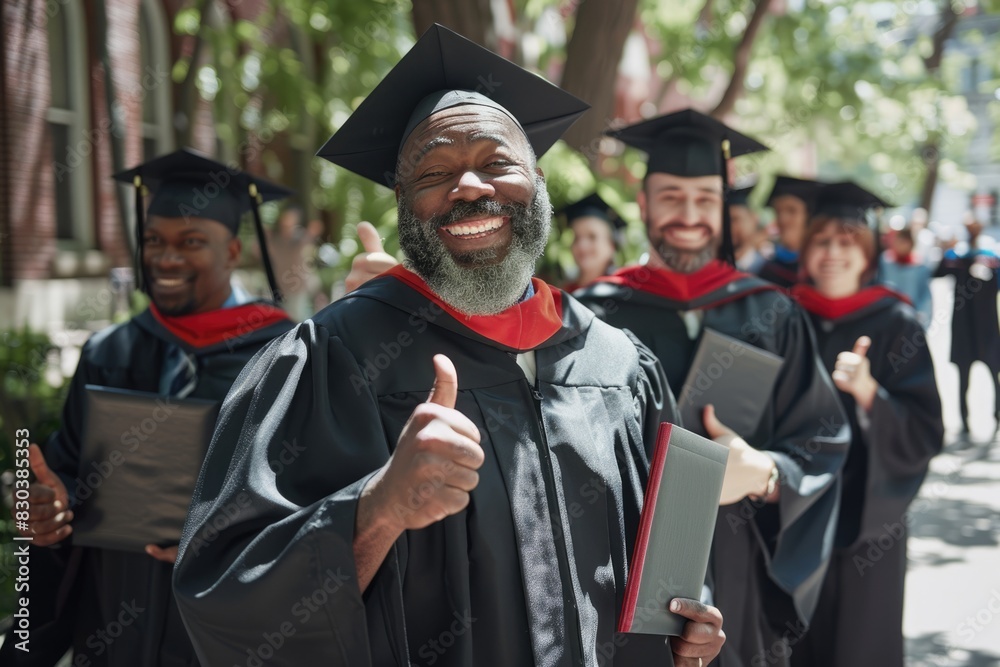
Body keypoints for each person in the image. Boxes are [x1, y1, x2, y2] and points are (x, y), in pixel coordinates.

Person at [172, 24, 725, 667]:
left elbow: (670, 559)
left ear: (538, 181)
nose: (469, 186)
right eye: (435, 172)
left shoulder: (618, 363)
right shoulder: (328, 358)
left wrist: (693, 621)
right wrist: (376, 509)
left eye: (497, 162)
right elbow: (223, 594)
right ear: (403, 202)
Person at [575, 109, 849, 667]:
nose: (690, 215)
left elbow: (823, 438)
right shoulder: (590, 318)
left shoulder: (771, 312)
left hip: (740, 575)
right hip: (622, 579)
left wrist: (768, 474)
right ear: (645, 203)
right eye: (671, 196)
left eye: (705, 198)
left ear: (723, 208)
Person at [10, 149, 295, 666]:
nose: (166, 258)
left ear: (232, 251)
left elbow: (309, 492)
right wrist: (47, 511)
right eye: (153, 242)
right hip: (116, 616)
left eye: (190, 242)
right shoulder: (109, 353)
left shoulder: (284, 356)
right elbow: (71, 475)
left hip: (226, 628)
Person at [789, 182, 943, 667]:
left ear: (868, 252)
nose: (833, 253)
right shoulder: (784, 315)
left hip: (866, 522)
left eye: (847, 241)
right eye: (822, 240)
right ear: (806, 249)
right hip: (790, 517)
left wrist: (870, 393)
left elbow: (925, 431)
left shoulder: (898, 323)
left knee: (860, 644)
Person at [934, 215, 1000, 434]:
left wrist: (989, 272)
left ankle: (997, 414)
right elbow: (939, 272)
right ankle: (964, 419)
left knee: (994, 372)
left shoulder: (990, 254)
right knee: (963, 377)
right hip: (963, 326)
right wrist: (946, 252)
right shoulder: (959, 254)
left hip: (987, 326)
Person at [757, 175, 824, 288]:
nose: (782, 219)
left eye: (792, 211)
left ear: (809, 216)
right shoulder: (769, 271)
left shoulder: (824, 267)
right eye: (777, 212)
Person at [261, 206, 324, 321]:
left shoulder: (300, 236)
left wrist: (312, 233)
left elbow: (307, 242)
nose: (287, 222)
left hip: (297, 286)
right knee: (279, 318)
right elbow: (261, 252)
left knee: (295, 318)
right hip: (279, 286)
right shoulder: (275, 239)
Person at [559, 192, 627, 291]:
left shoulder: (624, 292)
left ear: (611, 245)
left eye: (592, 237)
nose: (582, 246)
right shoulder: (560, 296)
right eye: (576, 237)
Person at [879, 227, 933, 327]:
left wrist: (921, 322)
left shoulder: (920, 267)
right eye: (898, 241)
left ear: (911, 243)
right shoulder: (885, 262)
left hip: (911, 318)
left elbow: (925, 298)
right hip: (886, 317)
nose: (901, 245)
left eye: (904, 242)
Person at [728, 183, 765, 274]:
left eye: (735, 219)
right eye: (723, 221)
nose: (728, 226)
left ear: (753, 219)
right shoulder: (711, 272)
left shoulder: (771, 271)